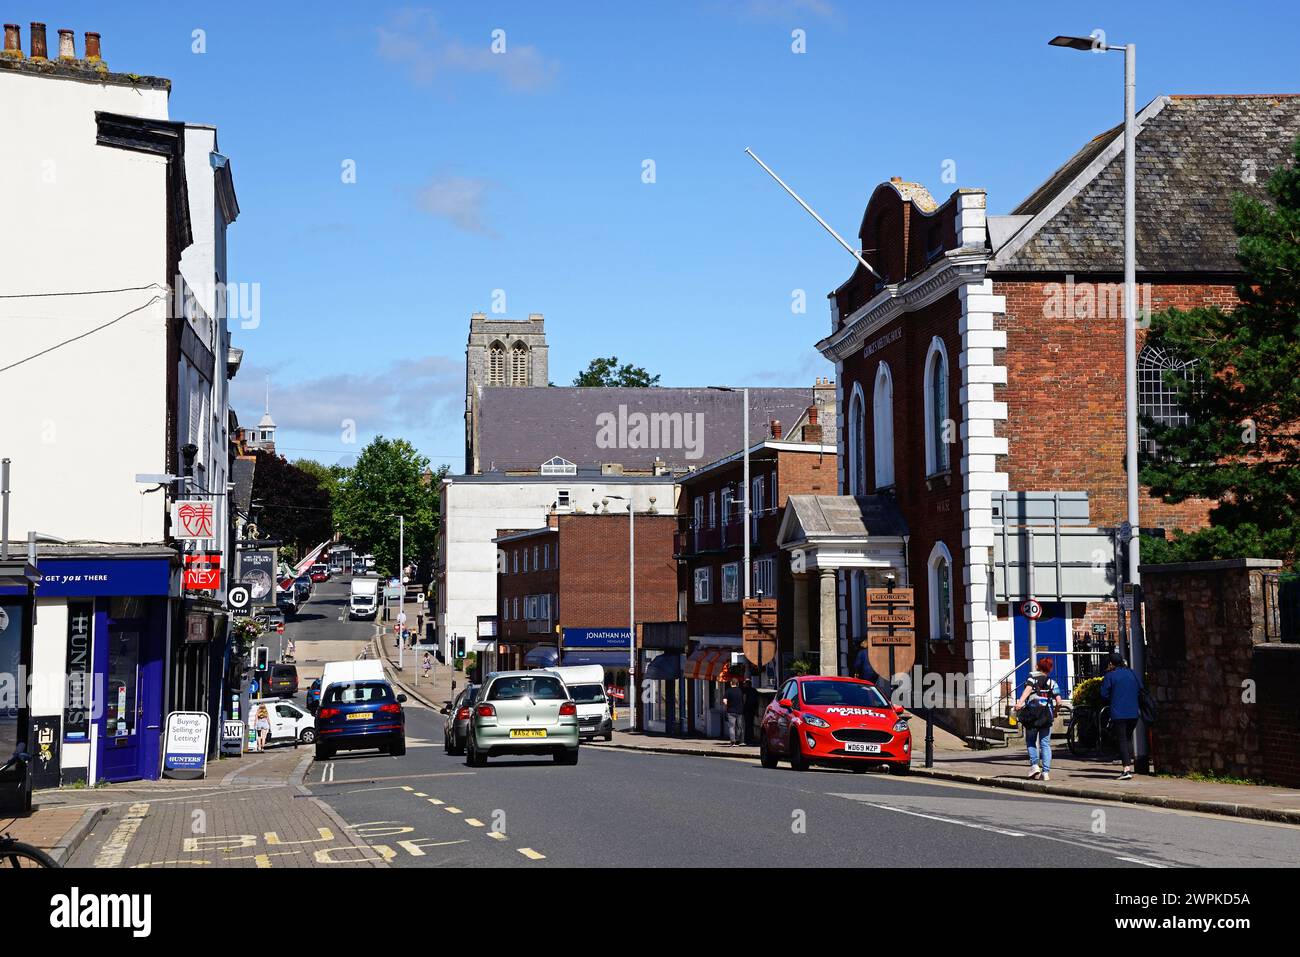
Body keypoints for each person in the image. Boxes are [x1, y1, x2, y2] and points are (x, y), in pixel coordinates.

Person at [1014, 657, 1063, 781]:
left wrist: (1019, 703)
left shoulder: (1032, 678)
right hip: (1047, 715)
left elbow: (1028, 690)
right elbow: (1059, 702)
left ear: (1038, 667)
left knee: (1031, 741)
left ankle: (1035, 765)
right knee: (1045, 744)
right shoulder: (1052, 682)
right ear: (1050, 669)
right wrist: (1056, 712)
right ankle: (1045, 772)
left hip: (1032, 715)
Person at [1101, 650, 1141, 780]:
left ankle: (1126, 769)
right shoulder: (1133, 674)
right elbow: (1140, 689)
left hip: (1119, 712)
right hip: (1133, 712)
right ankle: (1130, 765)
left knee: (1122, 740)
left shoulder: (1110, 676)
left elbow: (1104, 694)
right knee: (1128, 738)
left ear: (1111, 663)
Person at [723, 678, 744, 745]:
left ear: (731, 683)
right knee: (739, 727)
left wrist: (727, 705)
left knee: (732, 726)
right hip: (739, 711)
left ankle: (732, 740)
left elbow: (725, 701)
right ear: (737, 683)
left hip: (731, 711)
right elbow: (743, 699)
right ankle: (738, 740)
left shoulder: (728, 691)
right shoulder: (740, 691)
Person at [741, 678, 759, 745]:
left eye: (745, 683)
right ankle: (750, 739)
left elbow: (743, 699)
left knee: (747, 725)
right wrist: (756, 711)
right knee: (751, 725)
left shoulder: (745, 690)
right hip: (752, 710)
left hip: (747, 710)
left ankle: (747, 740)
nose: (744, 684)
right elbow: (757, 701)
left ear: (747, 684)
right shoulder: (754, 690)